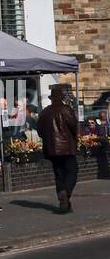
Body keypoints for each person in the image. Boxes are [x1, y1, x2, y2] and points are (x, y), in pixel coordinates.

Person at [38, 83, 79, 213]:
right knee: (72, 172)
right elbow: (74, 127)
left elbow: (40, 132)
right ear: (61, 98)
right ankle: (65, 191)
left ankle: (65, 204)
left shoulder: (44, 112)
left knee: (59, 174)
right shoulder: (66, 109)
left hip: (52, 149)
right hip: (66, 148)